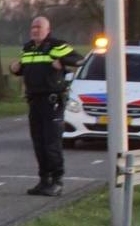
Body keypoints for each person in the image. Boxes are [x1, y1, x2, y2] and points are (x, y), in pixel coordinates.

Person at [9, 16, 84, 196]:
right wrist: (15, 68)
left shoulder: (57, 46)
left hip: (52, 101)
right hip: (34, 100)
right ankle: (44, 180)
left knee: (52, 143)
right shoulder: (28, 48)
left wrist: (63, 62)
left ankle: (57, 180)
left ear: (47, 29)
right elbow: (23, 69)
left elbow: (79, 59)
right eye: (33, 27)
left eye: (39, 27)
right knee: (39, 143)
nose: (35, 30)